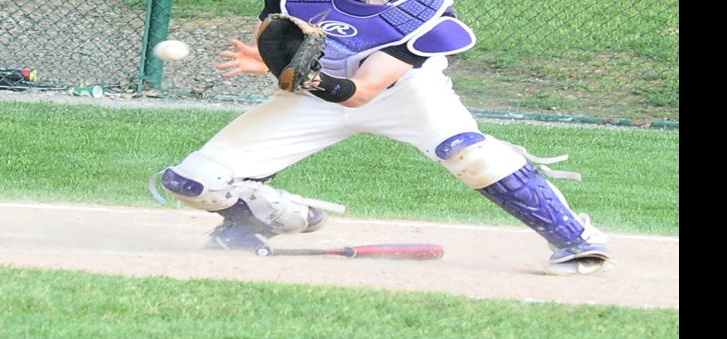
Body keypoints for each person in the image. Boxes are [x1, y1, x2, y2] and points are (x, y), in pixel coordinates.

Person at [157, 0, 611, 274]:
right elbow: (277, 33)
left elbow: (362, 92)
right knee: (192, 181)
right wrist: (270, 60)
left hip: (405, 96)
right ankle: (267, 220)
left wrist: (310, 78)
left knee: (470, 154)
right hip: (312, 99)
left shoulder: (427, 18)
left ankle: (572, 237)